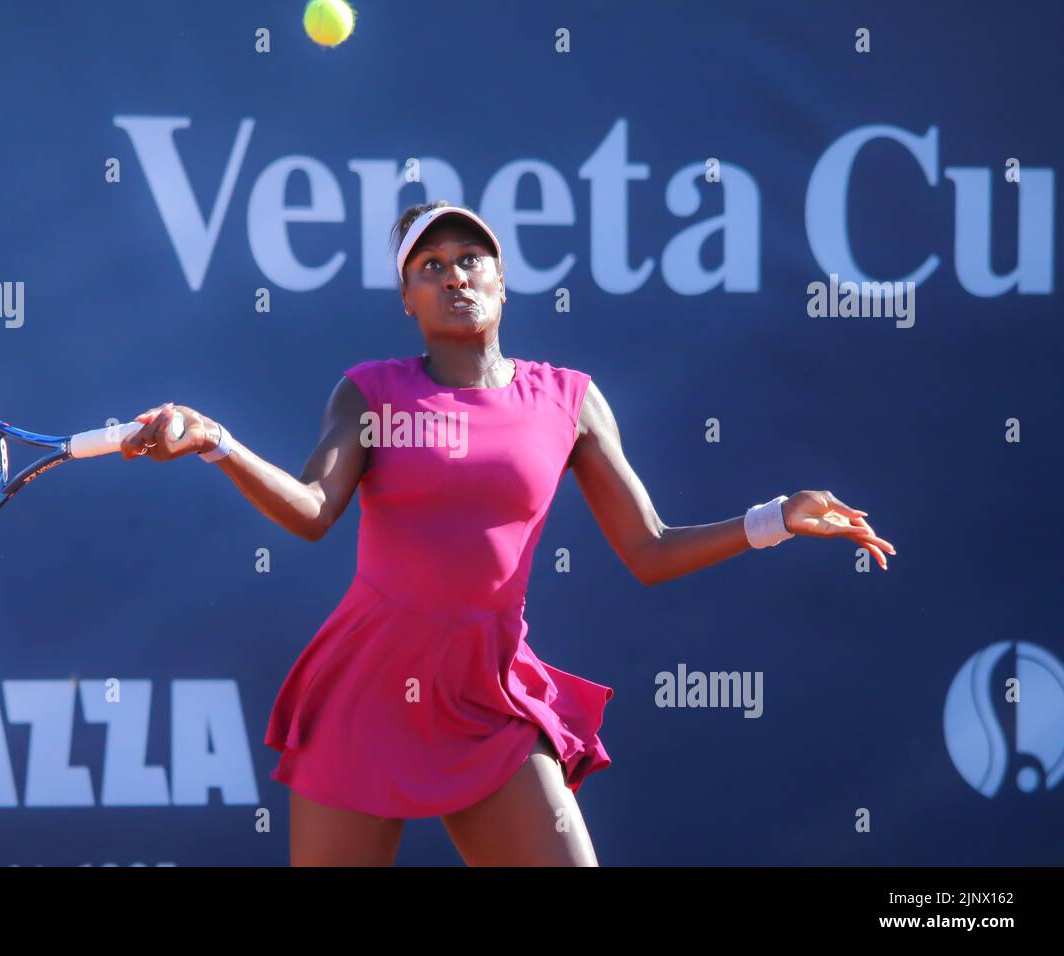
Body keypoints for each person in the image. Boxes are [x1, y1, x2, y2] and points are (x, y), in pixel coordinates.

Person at [121, 200, 896, 866]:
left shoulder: (570, 401)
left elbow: (650, 549)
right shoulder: (370, 392)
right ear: (407, 300)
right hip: (365, 695)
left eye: (471, 259)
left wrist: (775, 519)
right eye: (431, 267)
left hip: (487, 699)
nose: (455, 276)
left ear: (502, 280)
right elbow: (313, 509)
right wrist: (218, 444)